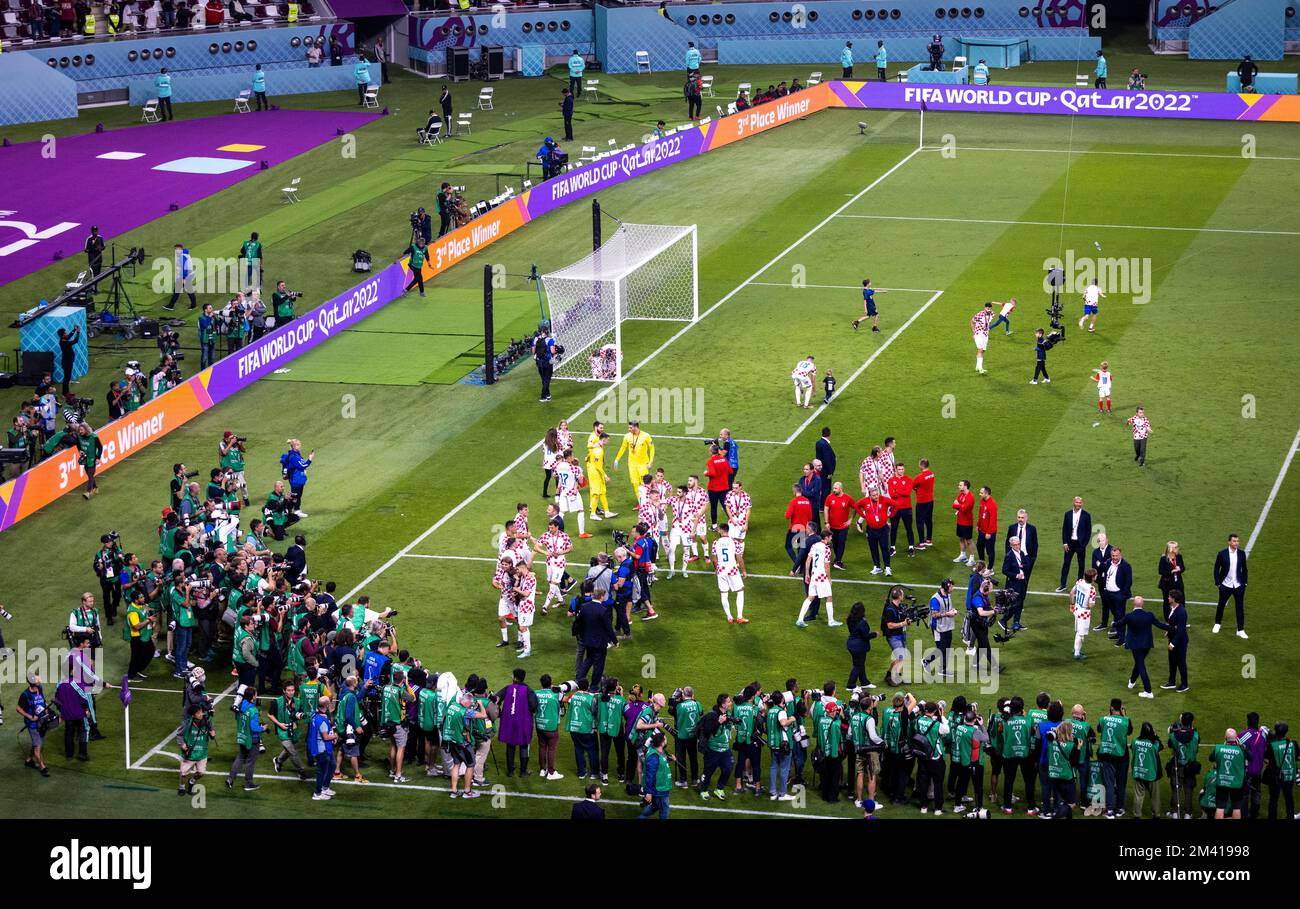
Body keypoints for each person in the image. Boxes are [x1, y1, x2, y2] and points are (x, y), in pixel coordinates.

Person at [1114, 597, 1166, 699]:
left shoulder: (1130, 616)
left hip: (1136, 646)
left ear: (1133, 604)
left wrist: (1113, 624)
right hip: (1147, 645)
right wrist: (1173, 629)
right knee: (1139, 663)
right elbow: (1160, 625)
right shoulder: (1149, 615)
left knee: (1141, 666)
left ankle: (1148, 691)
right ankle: (1132, 681)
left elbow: (1119, 624)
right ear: (1143, 604)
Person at [796, 530, 838, 627]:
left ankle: (800, 619)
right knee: (829, 597)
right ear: (826, 537)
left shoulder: (814, 546)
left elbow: (808, 560)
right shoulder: (827, 549)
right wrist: (829, 578)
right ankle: (831, 621)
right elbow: (826, 565)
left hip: (814, 575)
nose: (831, 538)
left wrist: (807, 573)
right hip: (822, 576)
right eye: (830, 537)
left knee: (810, 597)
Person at [1212, 533, 1248, 638]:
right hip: (1225, 585)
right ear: (1229, 542)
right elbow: (1216, 569)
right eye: (1234, 541)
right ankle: (1217, 624)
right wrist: (1218, 584)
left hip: (1238, 585)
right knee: (1221, 605)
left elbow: (1245, 569)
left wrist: (1244, 583)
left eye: (1237, 541)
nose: (1236, 543)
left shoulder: (1242, 553)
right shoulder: (1222, 554)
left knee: (1240, 607)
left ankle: (1240, 629)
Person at [1057, 496, 1092, 591]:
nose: (1078, 504)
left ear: (1082, 503)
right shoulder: (1067, 514)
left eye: (1080, 503)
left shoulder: (1086, 515)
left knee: (1081, 565)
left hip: (1080, 544)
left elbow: (1088, 531)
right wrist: (1065, 543)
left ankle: (1079, 584)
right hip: (1070, 543)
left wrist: (1084, 544)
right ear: (1073, 503)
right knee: (1066, 564)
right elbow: (1064, 529)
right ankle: (1063, 584)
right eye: (1077, 502)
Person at [306, 695, 337, 800]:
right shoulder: (322, 720)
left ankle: (325, 787)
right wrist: (335, 736)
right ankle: (317, 793)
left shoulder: (317, 715)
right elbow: (325, 736)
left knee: (332, 766)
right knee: (322, 771)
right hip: (322, 749)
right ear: (327, 705)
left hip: (325, 748)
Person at [1211, 729, 1246, 819]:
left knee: (1220, 807)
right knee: (1236, 808)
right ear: (1236, 739)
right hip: (1236, 782)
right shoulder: (1242, 749)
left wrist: (1223, 747)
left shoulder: (1219, 748)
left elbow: (1211, 758)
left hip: (1222, 781)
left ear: (1225, 738)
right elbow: (1251, 757)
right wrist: (1241, 746)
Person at [1265, 722, 1295, 820]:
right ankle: (1290, 816)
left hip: (1276, 775)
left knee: (1274, 798)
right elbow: (1297, 757)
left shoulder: (1272, 745)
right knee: (1289, 797)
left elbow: (1266, 759)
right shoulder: (1293, 743)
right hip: (1289, 773)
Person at [638, 730, 672, 818]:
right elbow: (650, 776)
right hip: (659, 789)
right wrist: (649, 793)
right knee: (664, 812)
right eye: (664, 738)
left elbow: (661, 764)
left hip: (660, 788)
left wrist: (670, 760)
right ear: (661, 743)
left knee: (654, 807)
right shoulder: (654, 757)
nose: (666, 739)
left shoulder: (657, 751)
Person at [1161, 589, 1190, 692]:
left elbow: (1181, 630)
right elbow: (1173, 624)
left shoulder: (1181, 612)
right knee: (1172, 661)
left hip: (1180, 642)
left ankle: (1185, 684)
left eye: (1169, 597)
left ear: (1174, 599)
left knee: (1181, 662)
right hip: (1173, 638)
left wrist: (1173, 643)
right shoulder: (1173, 608)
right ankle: (1172, 682)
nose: (1168, 598)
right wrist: (1168, 632)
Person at [279, 439, 313, 518]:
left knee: (298, 495)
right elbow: (302, 466)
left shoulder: (296, 454)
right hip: (295, 479)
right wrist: (310, 459)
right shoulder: (293, 457)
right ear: (295, 446)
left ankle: (296, 510)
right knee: (294, 496)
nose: (300, 446)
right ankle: (288, 510)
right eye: (299, 445)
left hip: (298, 479)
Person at [951, 479, 975, 566]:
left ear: (965, 486)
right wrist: (959, 505)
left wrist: (958, 505)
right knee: (961, 538)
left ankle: (972, 558)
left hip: (967, 522)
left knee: (968, 540)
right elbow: (953, 505)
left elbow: (964, 509)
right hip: (960, 520)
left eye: (960, 485)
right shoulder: (961, 494)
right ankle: (963, 555)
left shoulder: (970, 497)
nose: (959, 486)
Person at [57, 325, 81, 396]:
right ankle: (65, 393)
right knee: (66, 378)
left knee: (67, 378)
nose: (66, 333)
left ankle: (67, 392)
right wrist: (78, 332)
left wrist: (74, 329)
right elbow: (75, 341)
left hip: (68, 361)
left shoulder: (64, 339)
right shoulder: (65, 343)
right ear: (62, 335)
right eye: (65, 333)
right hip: (67, 362)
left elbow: (69, 336)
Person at [971, 301, 993, 374]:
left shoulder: (992, 314)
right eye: (987, 307)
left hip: (985, 334)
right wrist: (974, 333)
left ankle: (977, 367)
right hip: (979, 333)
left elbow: (988, 323)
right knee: (980, 349)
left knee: (983, 350)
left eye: (989, 308)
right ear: (985, 307)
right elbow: (972, 322)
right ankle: (980, 369)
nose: (988, 309)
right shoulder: (979, 314)